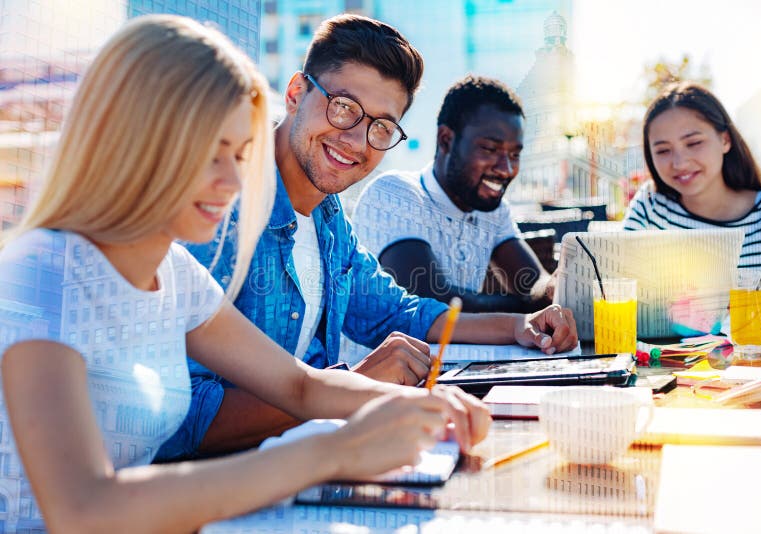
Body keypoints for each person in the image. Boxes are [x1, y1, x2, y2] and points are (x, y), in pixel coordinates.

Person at [0, 16, 490, 532]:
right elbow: (83, 511)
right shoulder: (42, 275)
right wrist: (332, 451)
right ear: (134, 141)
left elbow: (299, 387)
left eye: (239, 154)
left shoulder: (175, 272)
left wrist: (425, 405)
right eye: (212, 153)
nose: (235, 180)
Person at [164, 15, 577, 460]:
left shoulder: (327, 217)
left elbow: (398, 312)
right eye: (343, 106)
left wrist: (519, 327)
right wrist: (357, 383)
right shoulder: (218, 208)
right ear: (296, 93)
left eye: (381, 127)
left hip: (311, 460)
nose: (358, 140)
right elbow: (178, 422)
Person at [352, 74, 552, 313]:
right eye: (489, 149)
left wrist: (553, 287)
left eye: (514, 155)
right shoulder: (395, 194)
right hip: (380, 351)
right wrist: (532, 307)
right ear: (446, 140)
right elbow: (431, 302)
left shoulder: (493, 211)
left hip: (456, 352)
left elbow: (533, 285)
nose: (505, 169)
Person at [623, 81, 761, 309]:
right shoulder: (651, 206)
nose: (680, 162)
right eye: (663, 150)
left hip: (752, 345)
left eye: (694, 143)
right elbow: (613, 284)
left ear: (725, 140)